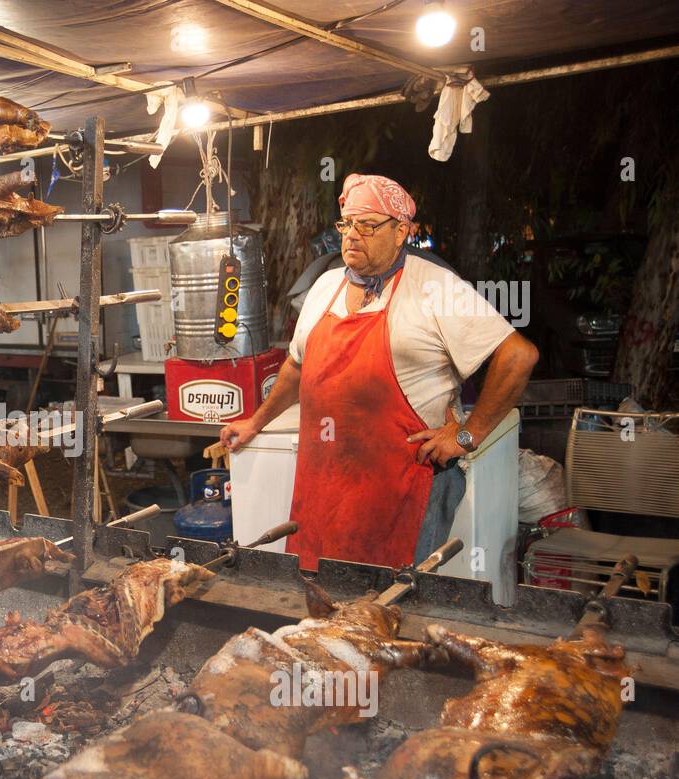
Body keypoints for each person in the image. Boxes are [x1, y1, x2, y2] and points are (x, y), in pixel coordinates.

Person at [219, 173, 538, 569]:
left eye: (367, 225)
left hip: (405, 485)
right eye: (347, 223)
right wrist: (255, 422)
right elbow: (296, 368)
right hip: (326, 482)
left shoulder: (435, 287)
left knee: (393, 608)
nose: (352, 235)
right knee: (322, 601)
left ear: (401, 230)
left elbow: (518, 356)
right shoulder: (325, 287)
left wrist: (469, 433)